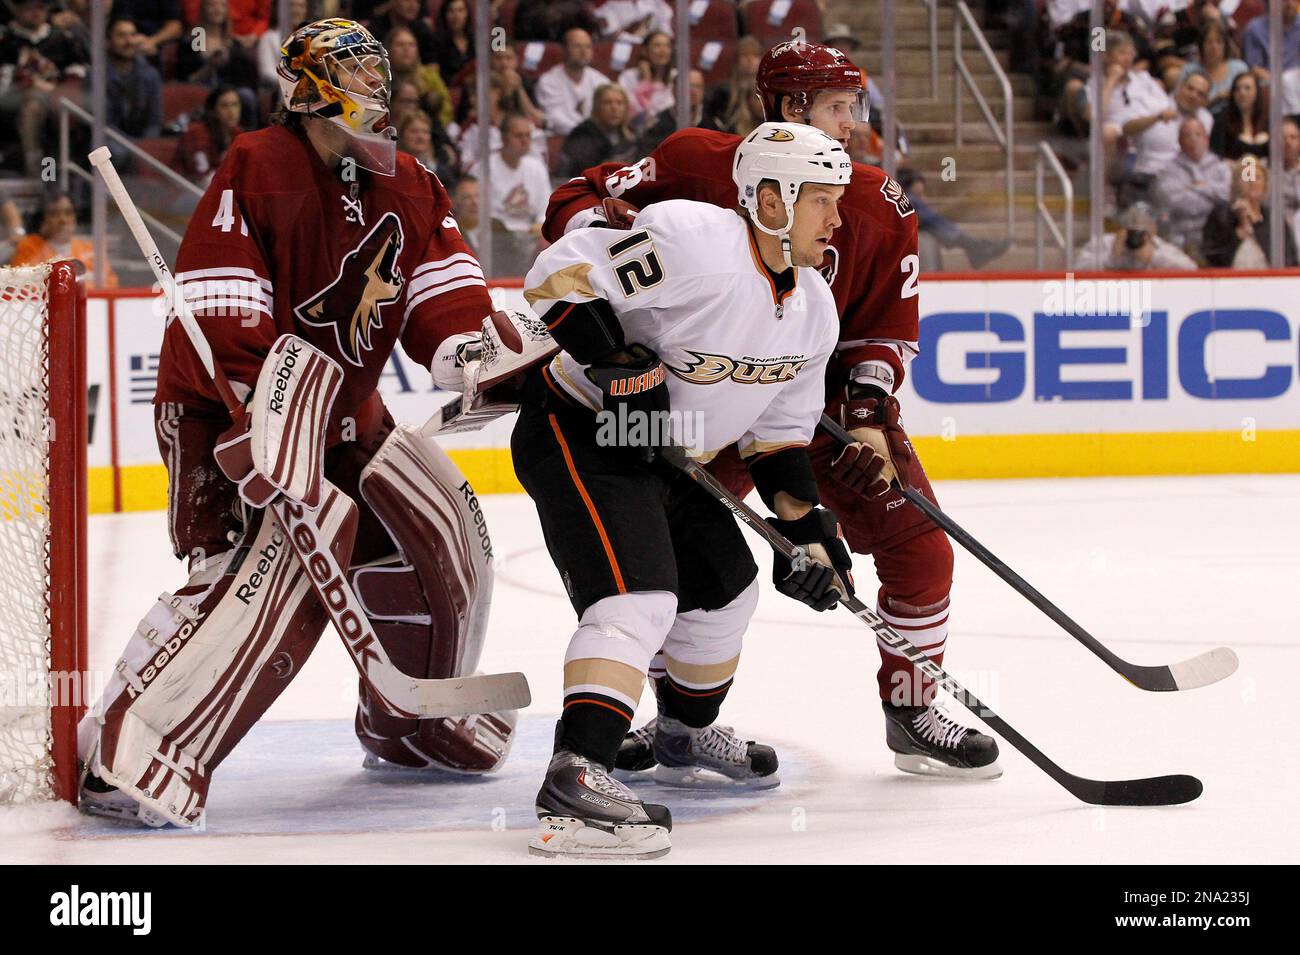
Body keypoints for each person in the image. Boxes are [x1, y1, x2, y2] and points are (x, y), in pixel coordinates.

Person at [76, 18, 518, 829]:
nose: (375, 90)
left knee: (440, 524)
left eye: (377, 73)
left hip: (344, 415)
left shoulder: (410, 181)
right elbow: (223, 306)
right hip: (224, 408)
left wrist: (472, 351)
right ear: (311, 90)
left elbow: (441, 302)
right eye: (355, 76)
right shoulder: (259, 164)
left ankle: (411, 721)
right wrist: (261, 417)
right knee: (263, 569)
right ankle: (132, 741)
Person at [544, 41, 1002, 781]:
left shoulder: (880, 204)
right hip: (706, 399)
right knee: (661, 565)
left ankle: (913, 709)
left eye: (854, 106)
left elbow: (886, 326)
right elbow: (573, 212)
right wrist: (612, 248)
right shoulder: (695, 164)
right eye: (837, 107)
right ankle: (666, 721)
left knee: (920, 548)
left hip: (816, 405)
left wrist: (865, 413)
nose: (853, 124)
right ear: (791, 109)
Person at [517, 122, 852, 859]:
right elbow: (555, 276)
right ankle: (576, 777)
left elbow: (777, 438)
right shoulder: (693, 242)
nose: (836, 219)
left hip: (670, 457)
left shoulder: (814, 308)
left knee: (727, 592)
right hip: (584, 432)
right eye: (822, 201)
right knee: (639, 597)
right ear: (769, 199)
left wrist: (808, 531)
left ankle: (682, 732)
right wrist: (617, 363)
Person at [0, 0, 88, 177]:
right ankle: (36, 166)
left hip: (56, 97)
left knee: (61, 110)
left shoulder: (61, 37)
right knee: (33, 106)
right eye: (29, 8)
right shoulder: (7, 39)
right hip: (14, 96)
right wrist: (30, 82)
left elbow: (77, 70)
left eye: (40, 7)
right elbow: (5, 75)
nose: (36, 12)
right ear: (17, 10)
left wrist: (58, 86)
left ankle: (55, 172)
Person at [483, 111, 551, 276]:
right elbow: (486, 214)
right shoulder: (486, 167)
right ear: (504, 138)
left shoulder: (536, 167)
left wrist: (541, 223)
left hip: (530, 237)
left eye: (528, 136)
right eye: (519, 136)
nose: (525, 141)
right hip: (499, 239)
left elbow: (546, 206)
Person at [1202, 158, 1299, 267]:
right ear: (1235, 184)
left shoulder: (1274, 219)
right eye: (1247, 177)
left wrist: (1255, 225)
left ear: (1265, 185)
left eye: (1257, 177)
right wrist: (1239, 232)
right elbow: (1212, 256)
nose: (1252, 182)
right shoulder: (1221, 215)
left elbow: (1289, 258)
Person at [9, 191, 117, 288]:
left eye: (68, 213)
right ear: (43, 220)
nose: (63, 219)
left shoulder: (89, 248)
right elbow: (20, 287)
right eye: (54, 214)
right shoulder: (29, 246)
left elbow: (110, 284)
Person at [1157, 116, 1231, 257]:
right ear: (1179, 141)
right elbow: (1173, 202)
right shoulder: (1168, 170)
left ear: (1207, 139)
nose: (1193, 139)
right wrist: (1212, 195)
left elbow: (1229, 196)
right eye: (1187, 135)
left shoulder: (1221, 167)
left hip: (1215, 237)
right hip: (1179, 237)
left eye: (1198, 134)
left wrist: (1197, 188)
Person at [1074, 202, 1197, 270]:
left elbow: (1191, 269)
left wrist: (1154, 257)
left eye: (1142, 229)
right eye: (1132, 224)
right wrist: (1112, 257)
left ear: (1153, 230)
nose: (1135, 235)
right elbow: (1077, 270)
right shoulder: (1106, 243)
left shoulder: (1159, 247)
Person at [534, 27, 610, 137]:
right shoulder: (548, 81)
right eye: (577, 46)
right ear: (564, 50)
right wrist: (585, 133)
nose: (584, 51)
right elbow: (555, 119)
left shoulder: (601, 81)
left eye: (587, 47)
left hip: (596, 140)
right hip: (562, 138)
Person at [561, 82, 639, 177]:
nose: (614, 108)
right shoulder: (582, 134)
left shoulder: (632, 134)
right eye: (607, 103)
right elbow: (581, 171)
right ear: (597, 107)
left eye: (620, 103)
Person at [173, 84, 244, 186]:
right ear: (212, 111)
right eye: (224, 106)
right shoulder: (196, 133)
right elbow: (203, 178)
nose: (231, 112)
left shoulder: (238, 133)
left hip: (222, 193)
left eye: (235, 105)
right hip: (187, 192)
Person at [106, 17, 163, 139]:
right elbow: (105, 125)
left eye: (133, 35)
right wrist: (133, 149)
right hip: (109, 144)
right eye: (121, 35)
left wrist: (146, 146)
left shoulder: (151, 74)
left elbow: (154, 122)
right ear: (109, 41)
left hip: (142, 145)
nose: (129, 41)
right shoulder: (96, 76)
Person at [617, 29, 674, 129]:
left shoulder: (676, 78)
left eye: (667, 46)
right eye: (657, 45)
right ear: (645, 50)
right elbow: (631, 116)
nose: (663, 50)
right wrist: (646, 81)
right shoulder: (628, 77)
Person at [1210, 71, 1269, 161]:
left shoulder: (1269, 121)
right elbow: (1216, 157)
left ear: (1257, 92)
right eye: (1237, 89)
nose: (1242, 93)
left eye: (1247, 88)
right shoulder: (1221, 122)